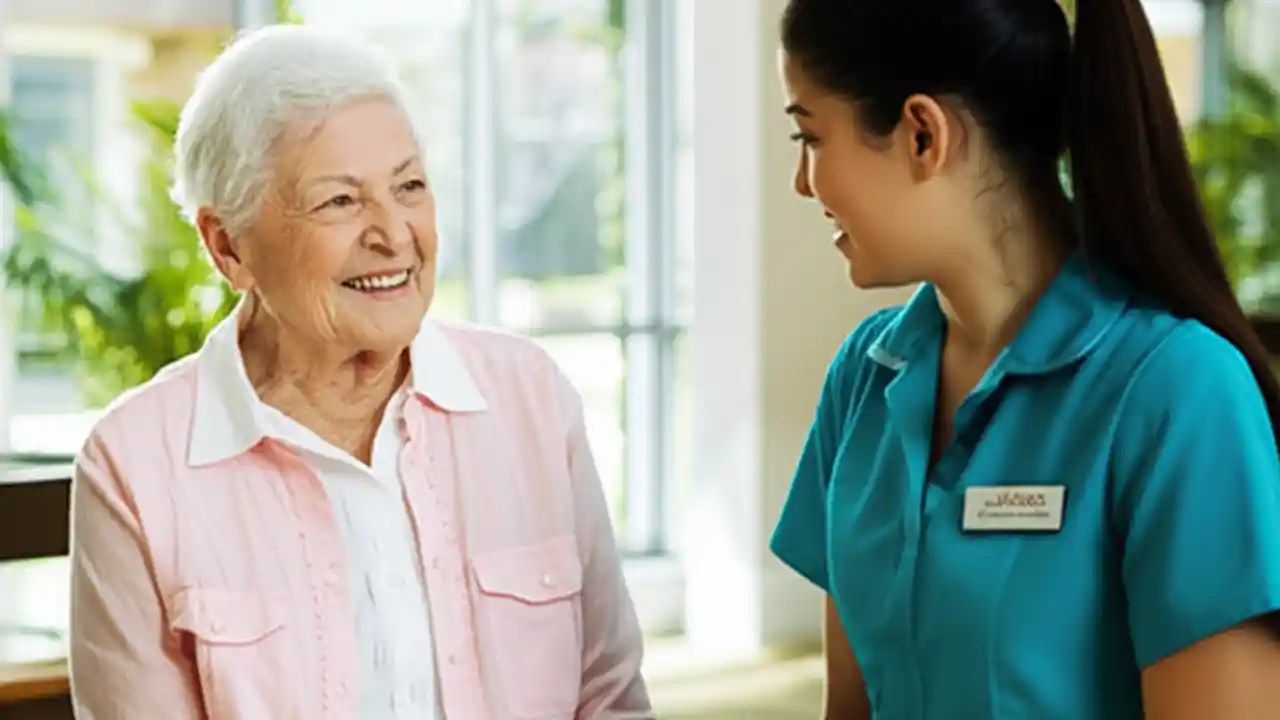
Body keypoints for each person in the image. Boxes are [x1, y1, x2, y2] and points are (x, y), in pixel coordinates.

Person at [68, 25, 651, 720]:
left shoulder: (531, 399)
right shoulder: (133, 464)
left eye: (409, 186)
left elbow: (610, 697)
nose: (394, 233)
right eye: (340, 201)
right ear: (228, 247)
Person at [769, 0, 1280, 718]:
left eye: (811, 137)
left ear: (923, 134)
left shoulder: (1179, 391)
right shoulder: (864, 379)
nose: (803, 181)